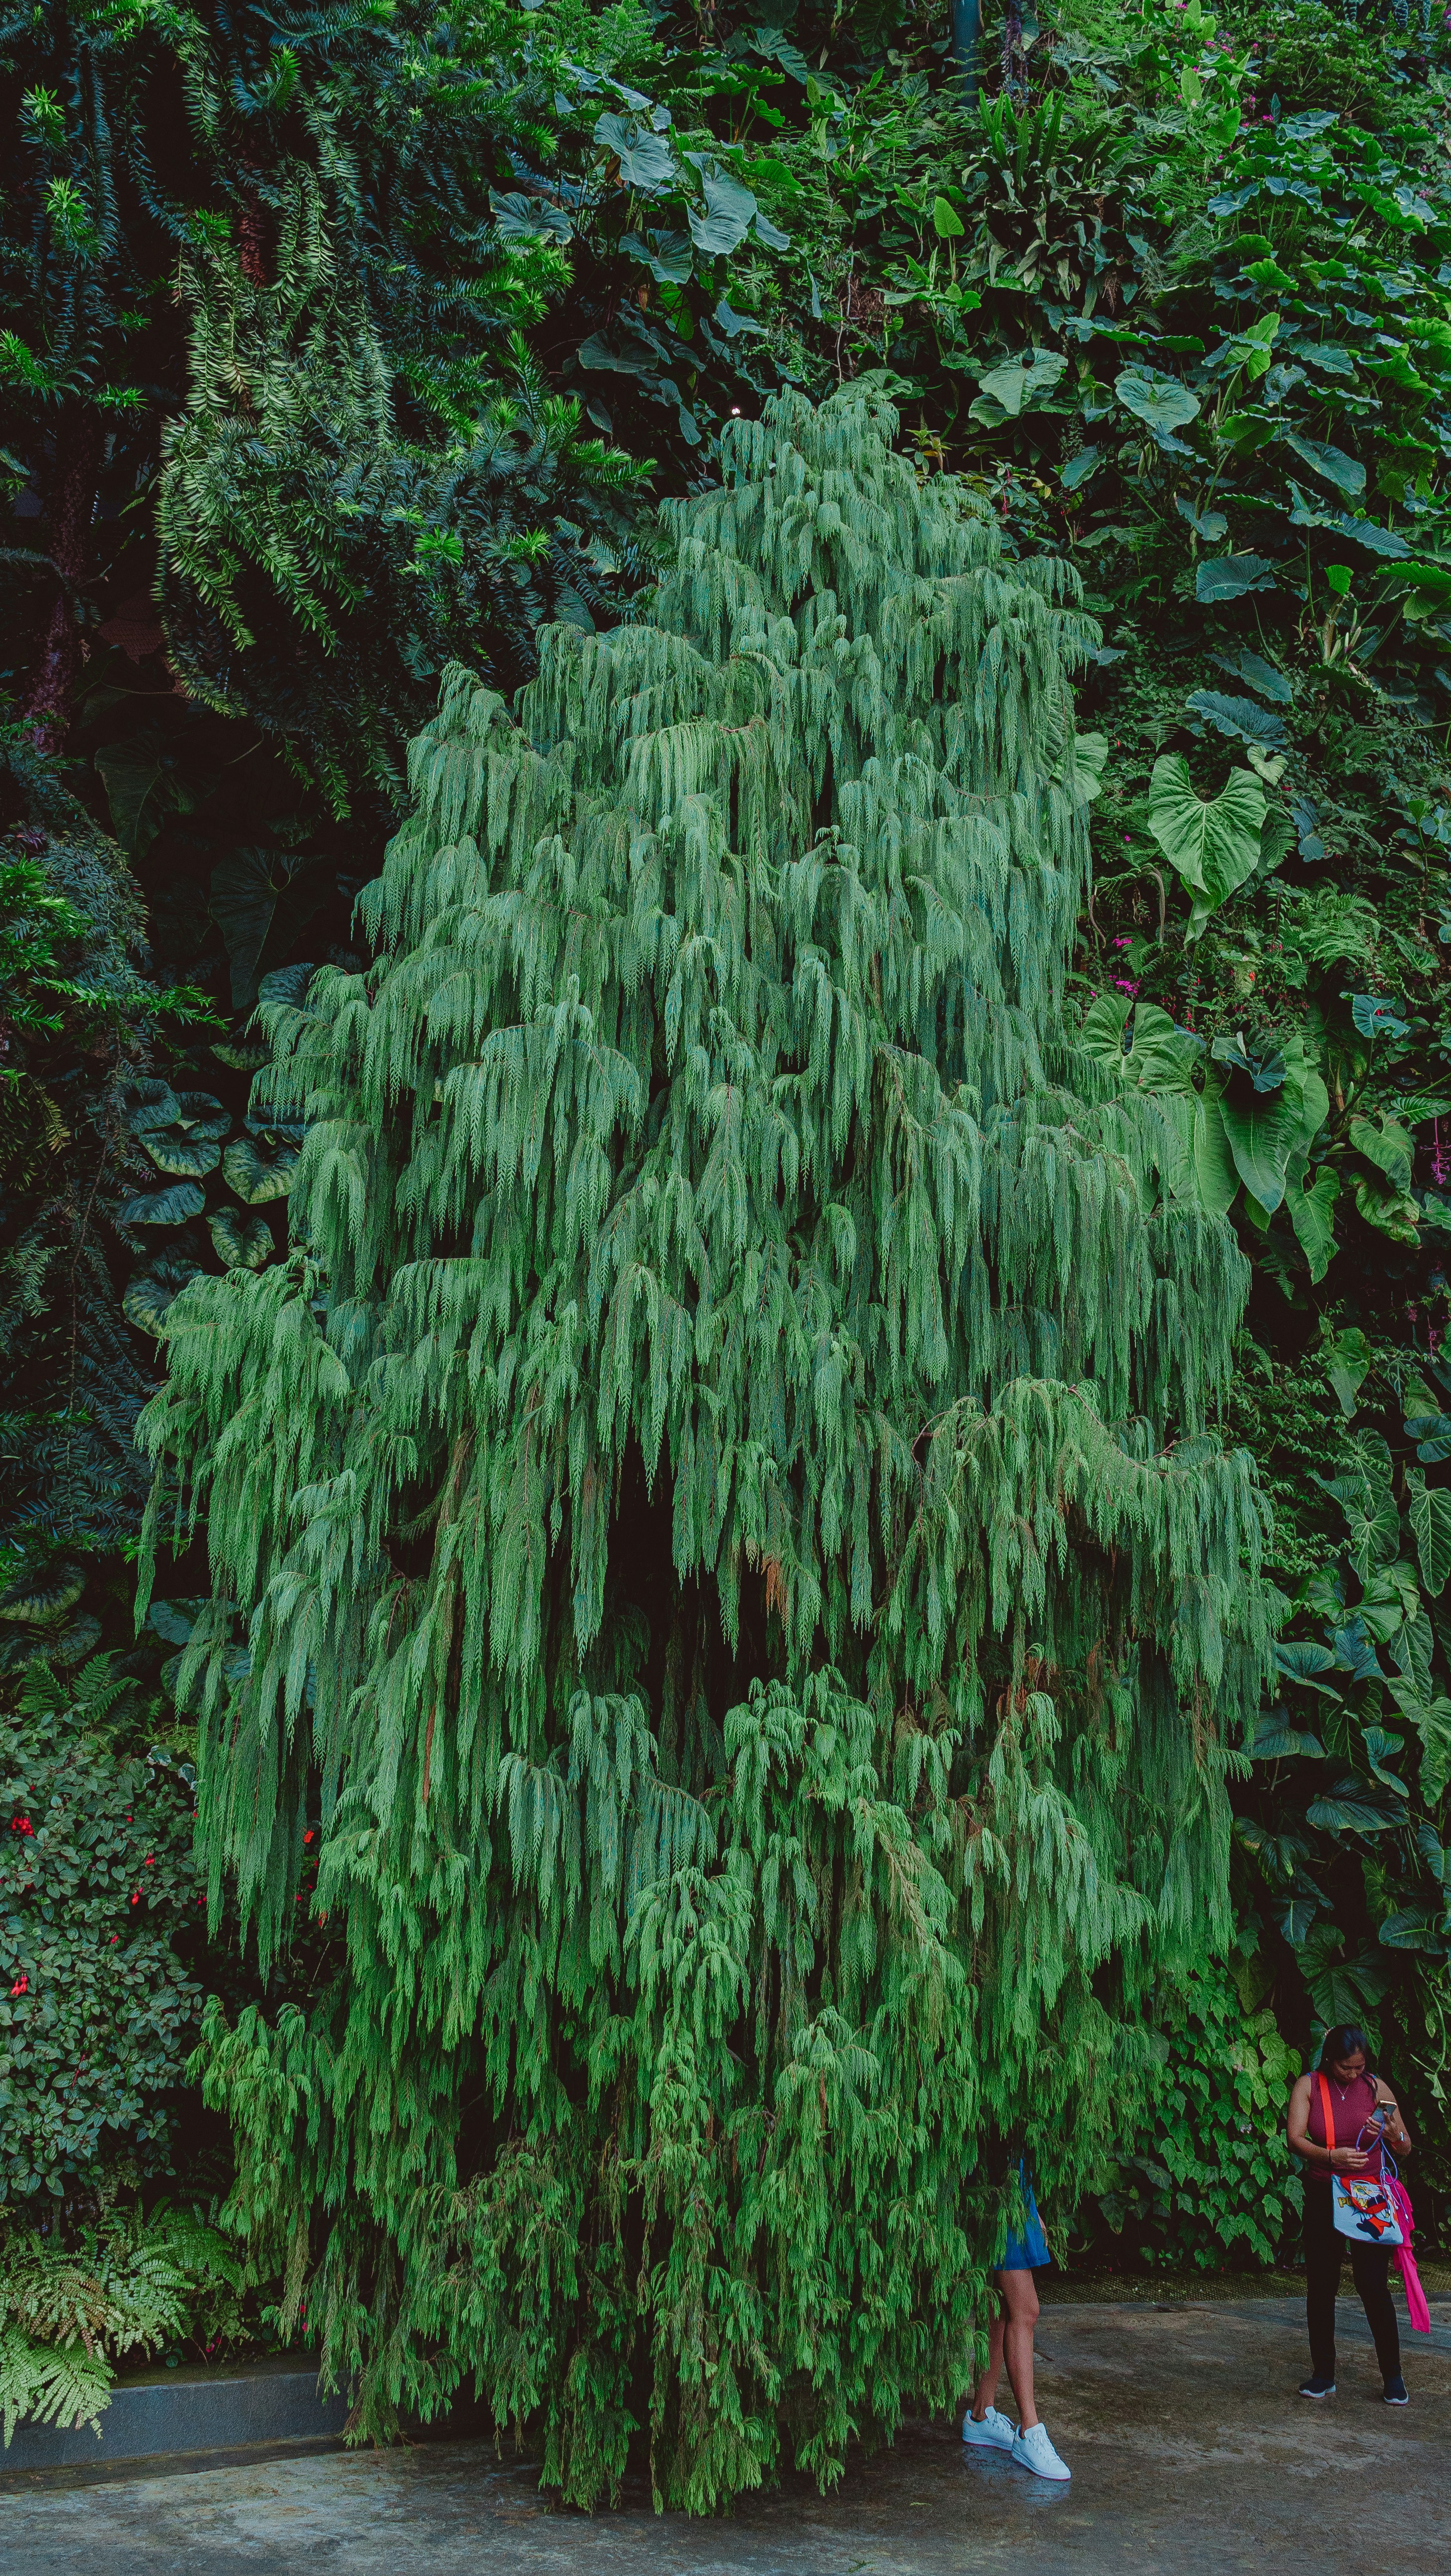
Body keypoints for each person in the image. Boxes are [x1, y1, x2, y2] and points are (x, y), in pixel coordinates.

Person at [1286, 2023, 1413, 2405]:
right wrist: (1331, 2157)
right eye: (1347, 2068)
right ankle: (1323, 2375)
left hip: (1369, 2197)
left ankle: (1393, 2377)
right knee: (1322, 2286)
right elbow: (1294, 2138)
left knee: (1373, 2285)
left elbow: (1405, 2147)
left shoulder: (1376, 2087)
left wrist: (1394, 2135)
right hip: (1325, 2193)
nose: (1354, 2074)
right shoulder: (1308, 2086)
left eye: (1360, 2067)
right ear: (1329, 2059)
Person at [962, 2165, 1070, 2481]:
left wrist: (1029, 2205)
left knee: (1000, 2306)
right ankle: (1029, 2431)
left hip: (1012, 2193)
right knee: (1026, 2309)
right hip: (995, 2194)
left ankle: (981, 2415)